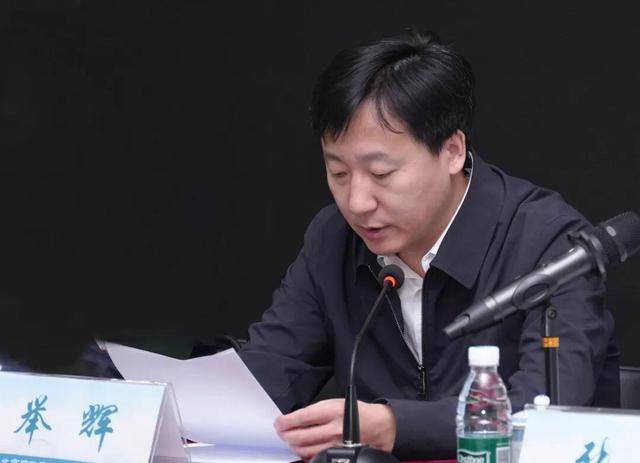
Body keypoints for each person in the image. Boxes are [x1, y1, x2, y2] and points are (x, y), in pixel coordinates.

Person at [239, 30, 619, 461]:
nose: (357, 202)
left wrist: (394, 425)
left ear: (452, 151)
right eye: (339, 173)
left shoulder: (548, 243)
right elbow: (269, 373)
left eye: (381, 174)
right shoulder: (334, 237)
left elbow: (547, 413)